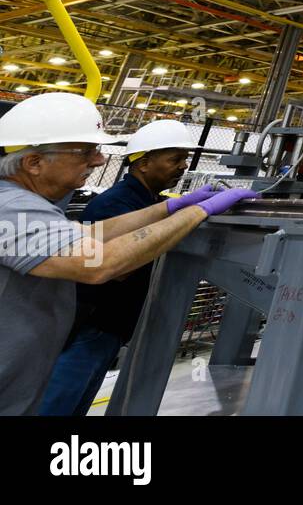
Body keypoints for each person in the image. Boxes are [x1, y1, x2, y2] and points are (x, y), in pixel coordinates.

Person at [0, 93, 256, 415]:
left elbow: (89, 234)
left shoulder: (26, 206)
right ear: (34, 162)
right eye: (86, 152)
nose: (98, 161)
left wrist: (171, 206)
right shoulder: (11, 209)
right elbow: (99, 261)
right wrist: (196, 213)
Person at [38, 119, 199, 416]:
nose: (183, 166)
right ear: (144, 162)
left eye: (185, 159)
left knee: (75, 407)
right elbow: (115, 266)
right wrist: (183, 220)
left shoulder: (147, 200)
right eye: (175, 159)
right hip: (90, 328)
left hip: (109, 329)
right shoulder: (115, 203)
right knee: (55, 407)